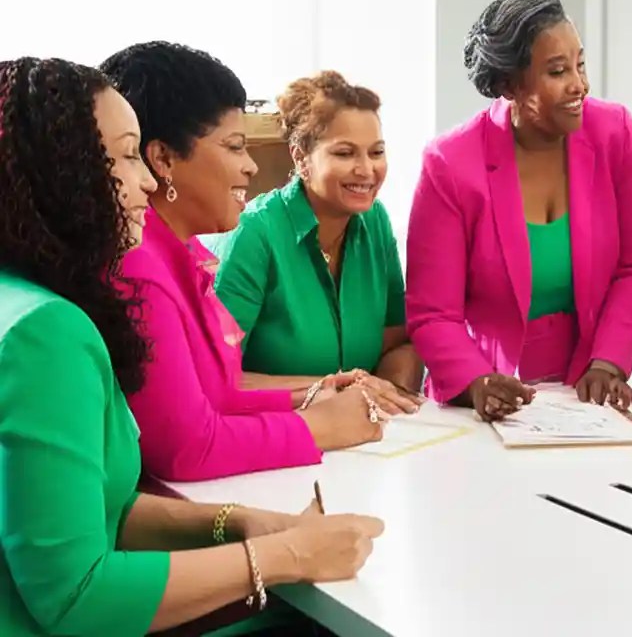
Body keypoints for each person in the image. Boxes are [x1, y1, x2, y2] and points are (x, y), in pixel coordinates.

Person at [0, 57, 383, 636]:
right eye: (128, 155)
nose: (147, 184)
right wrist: (285, 557)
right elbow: (76, 599)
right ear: (65, 169)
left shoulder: (22, 298)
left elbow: (102, 509)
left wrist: (237, 522)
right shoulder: (48, 334)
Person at [101, 42, 382, 482]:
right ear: (164, 158)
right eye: (234, 147)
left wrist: (314, 392)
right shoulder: (141, 268)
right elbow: (187, 449)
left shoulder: (184, 253)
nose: (251, 166)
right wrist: (320, 426)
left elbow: (215, 395)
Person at [406, 0, 632, 420]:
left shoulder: (614, 131)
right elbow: (434, 313)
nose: (579, 85)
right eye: (558, 71)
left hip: (587, 397)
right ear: (510, 84)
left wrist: (608, 361)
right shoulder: (450, 163)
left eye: (580, 65)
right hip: (484, 399)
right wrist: (476, 382)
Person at [209, 71, 423, 414]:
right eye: (345, 153)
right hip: (272, 432)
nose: (366, 170)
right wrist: (330, 391)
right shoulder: (255, 233)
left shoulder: (376, 220)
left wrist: (389, 400)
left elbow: (399, 343)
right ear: (300, 158)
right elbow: (213, 376)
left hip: (357, 440)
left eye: (376, 152)